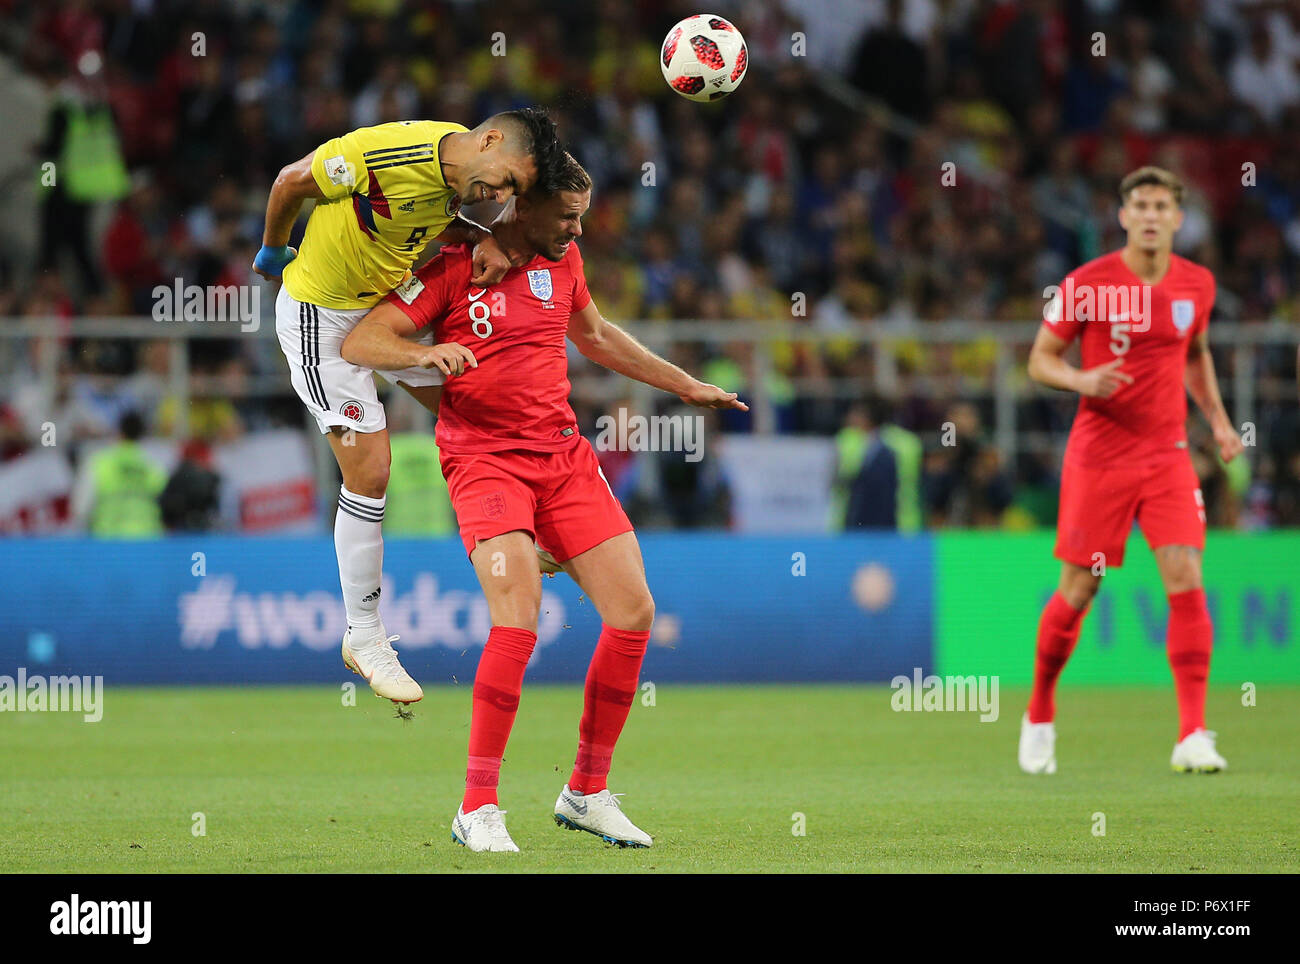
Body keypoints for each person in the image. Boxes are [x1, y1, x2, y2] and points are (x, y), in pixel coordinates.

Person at [342, 154, 747, 852]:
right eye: (566, 216)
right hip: (486, 463)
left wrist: (683, 385)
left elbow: (597, 337)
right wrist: (424, 355)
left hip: (563, 461)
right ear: (523, 206)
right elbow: (362, 338)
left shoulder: (564, 262)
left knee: (633, 612)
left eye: (581, 217)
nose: (576, 230)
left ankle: (586, 791)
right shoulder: (456, 266)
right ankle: (477, 807)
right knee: (519, 617)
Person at [252, 109, 565, 706]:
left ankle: (520, 528)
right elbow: (290, 181)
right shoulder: (386, 155)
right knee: (370, 471)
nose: (500, 196)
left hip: (379, 312)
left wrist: (480, 237)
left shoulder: (461, 180)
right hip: (322, 318)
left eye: (513, 192)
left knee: (470, 406)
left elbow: (431, 220)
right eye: (505, 181)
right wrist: (272, 250)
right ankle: (364, 635)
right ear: (489, 141)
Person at [1020, 166, 1243, 775]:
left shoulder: (1197, 284)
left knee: (1186, 574)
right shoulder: (1087, 283)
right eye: (1139, 205)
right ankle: (1039, 711)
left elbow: (1194, 354)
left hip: (1167, 454)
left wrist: (1219, 422)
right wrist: (1081, 379)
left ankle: (1192, 733)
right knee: (1079, 589)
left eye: (1161, 206)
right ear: (1122, 216)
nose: (1149, 215)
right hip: (1100, 456)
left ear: (1177, 219)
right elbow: (1040, 360)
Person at [72, 410, 166, 537]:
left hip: (108, 539)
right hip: (148, 538)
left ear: (119, 433)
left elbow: (80, 509)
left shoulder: (99, 462)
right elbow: (167, 502)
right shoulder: (153, 464)